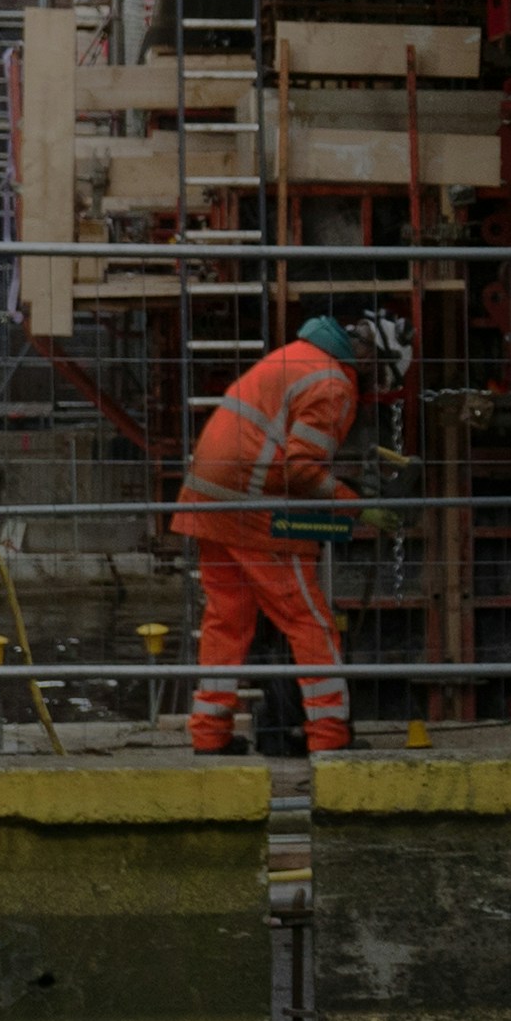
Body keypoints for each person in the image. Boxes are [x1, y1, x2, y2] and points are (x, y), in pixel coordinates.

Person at [170, 313, 364, 754]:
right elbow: (300, 469)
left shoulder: (293, 357)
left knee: (226, 621)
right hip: (252, 508)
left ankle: (209, 734)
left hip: (210, 500)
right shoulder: (333, 383)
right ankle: (329, 736)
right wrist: (354, 504)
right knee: (309, 621)